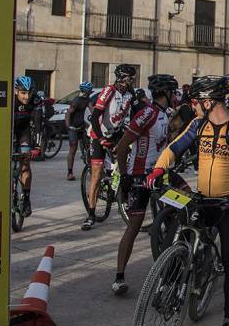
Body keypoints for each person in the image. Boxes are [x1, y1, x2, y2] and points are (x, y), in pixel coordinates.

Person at [147, 75, 229, 326]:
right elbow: (173, 149)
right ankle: (169, 286)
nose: (192, 106)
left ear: (209, 102)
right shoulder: (198, 125)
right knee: (174, 236)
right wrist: (158, 168)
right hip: (202, 199)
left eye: (196, 101)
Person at [110, 74, 177, 295]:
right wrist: (125, 176)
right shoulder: (147, 114)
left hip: (158, 174)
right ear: (165, 92)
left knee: (173, 216)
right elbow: (122, 147)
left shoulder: (166, 115)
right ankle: (119, 276)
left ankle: (168, 270)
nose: (175, 96)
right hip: (138, 176)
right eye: (173, 92)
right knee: (135, 225)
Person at [83, 64, 137, 231]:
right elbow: (95, 117)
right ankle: (91, 214)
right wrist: (100, 139)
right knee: (97, 173)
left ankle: (122, 195)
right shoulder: (109, 91)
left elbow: (135, 114)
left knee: (128, 165)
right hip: (98, 134)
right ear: (121, 77)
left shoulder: (130, 94)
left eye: (132, 78)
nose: (131, 81)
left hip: (116, 133)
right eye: (129, 78)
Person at [12, 76, 37, 218]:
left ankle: (26, 198)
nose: (27, 97)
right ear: (16, 91)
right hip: (8, 131)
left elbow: (38, 124)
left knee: (25, 165)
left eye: (29, 93)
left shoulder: (35, 101)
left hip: (24, 132)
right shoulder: (10, 100)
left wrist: (38, 146)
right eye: (23, 93)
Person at [64, 81, 93, 181]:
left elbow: (92, 110)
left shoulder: (87, 100)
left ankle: (90, 168)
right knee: (73, 148)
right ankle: (70, 172)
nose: (90, 93)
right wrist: (68, 126)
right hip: (73, 127)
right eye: (89, 91)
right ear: (86, 91)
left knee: (90, 146)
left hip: (81, 125)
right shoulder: (77, 101)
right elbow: (68, 113)